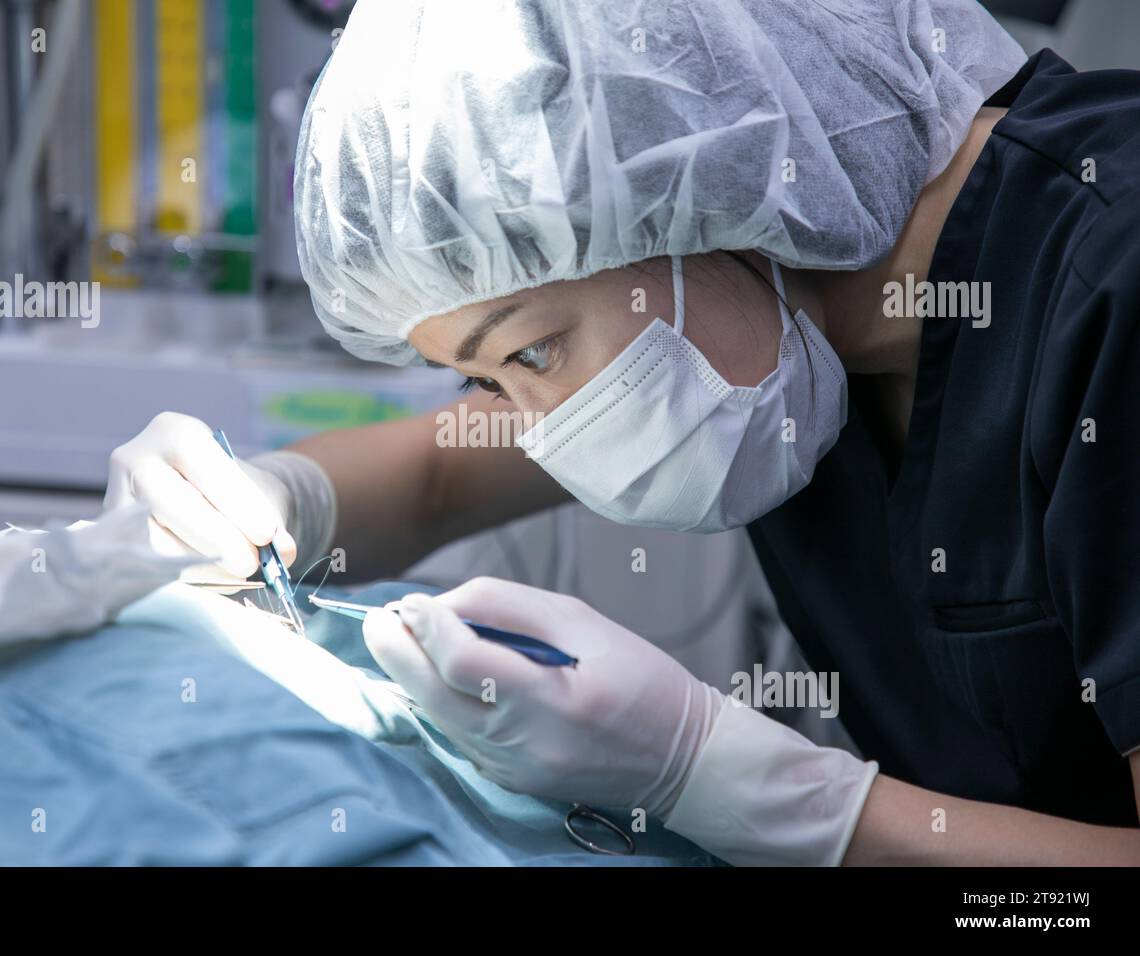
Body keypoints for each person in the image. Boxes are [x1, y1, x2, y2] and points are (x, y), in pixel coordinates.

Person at [104, 0, 1140, 864]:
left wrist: (734, 780)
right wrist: (271, 498)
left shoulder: (1110, 285)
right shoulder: (787, 318)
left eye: (532, 352)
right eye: (485, 376)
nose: (539, 430)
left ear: (704, 186)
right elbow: (434, 475)